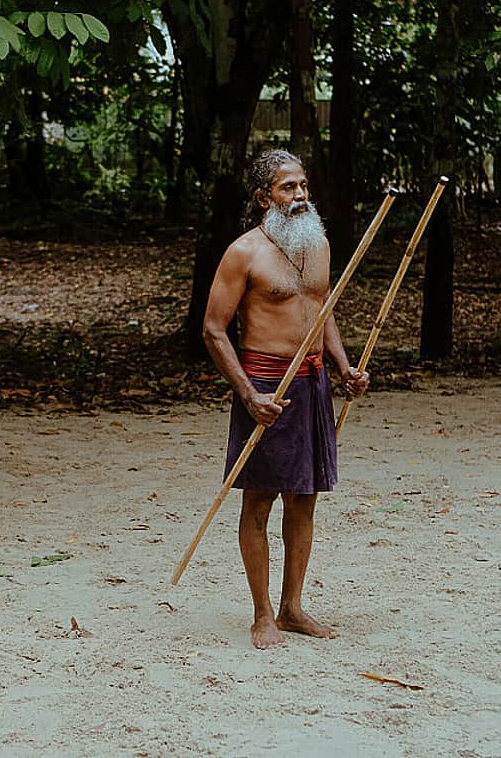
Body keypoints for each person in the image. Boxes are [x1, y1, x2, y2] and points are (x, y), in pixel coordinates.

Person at [202, 149, 369, 649]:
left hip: (314, 382)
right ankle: (262, 614)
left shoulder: (316, 243)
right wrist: (250, 394)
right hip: (267, 385)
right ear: (262, 197)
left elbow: (322, 311)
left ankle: (294, 607)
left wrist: (343, 366)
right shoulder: (244, 253)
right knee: (259, 501)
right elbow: (213, 330)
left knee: (305, 498)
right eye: (286, 188)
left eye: (302, 186)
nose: (299, 196)